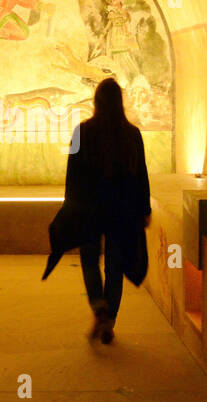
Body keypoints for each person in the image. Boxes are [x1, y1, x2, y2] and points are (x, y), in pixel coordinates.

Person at [43, 77, 150, 344]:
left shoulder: (82, 132)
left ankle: (99, 309)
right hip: (121, 212)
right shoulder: (132, 134)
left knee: (90, 261)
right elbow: (141, 177)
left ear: (96, 102)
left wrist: (71, 207)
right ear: (120, 103)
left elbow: (73, 174)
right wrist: (144, 209)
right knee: (115, 266)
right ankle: (109, 321)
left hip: (90, 210)